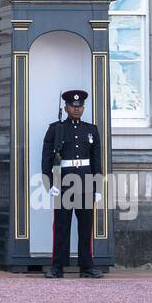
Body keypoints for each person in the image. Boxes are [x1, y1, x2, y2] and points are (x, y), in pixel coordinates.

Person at [40, 89, 104, 279]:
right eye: (73, 107)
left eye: (80, 107)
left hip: (85, 180)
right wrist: (49, 183)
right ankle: (57, 266)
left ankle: (87, 266)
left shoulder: (91, 129)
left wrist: (97, 186)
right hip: (64, 182)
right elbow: (46, 159)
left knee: (85, 226)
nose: (77, 110)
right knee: (61, 226)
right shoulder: (56, 129)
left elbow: (96, 160)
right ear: (66, 108)